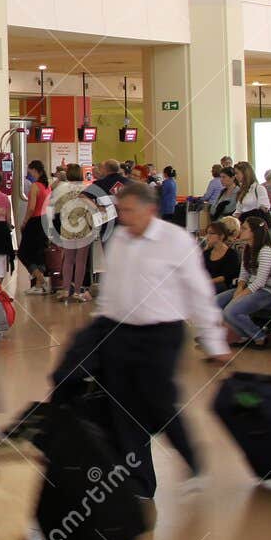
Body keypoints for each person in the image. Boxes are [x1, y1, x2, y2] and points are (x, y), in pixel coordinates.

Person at [54, 179, 229, 499]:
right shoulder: (120, 239)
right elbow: (112, 289)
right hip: (119, 332)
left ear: (150, 210)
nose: (123, 217)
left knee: (159, 404)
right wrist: (99, 327)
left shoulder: (175, 241)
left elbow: (199, 292)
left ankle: (193, 462)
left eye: (130, 211)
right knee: (123, 407)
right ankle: (141, 483)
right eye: (121, 211)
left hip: (162, 334)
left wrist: (215, 342)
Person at [218, 215, 271, 348]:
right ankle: (243, 334)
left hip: (268, 291)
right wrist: (239, 288)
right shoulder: (247, 248)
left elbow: (260, 282)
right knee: (215, 303)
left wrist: (240, 295)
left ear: (254, 232)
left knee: (230, 311)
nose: (241, 231)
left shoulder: (266, 251)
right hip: (251, 287)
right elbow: (244, 273)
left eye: (244, 228)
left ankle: (259, 336)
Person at [50, 164, 93, 302]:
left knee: (68, 260)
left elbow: (55, 208)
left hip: (67, 226)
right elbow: (90, 209)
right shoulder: (87, 188)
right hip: (83, 227)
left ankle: (65, 290)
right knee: (81, 261)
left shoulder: (61, 188)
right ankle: (77, 292)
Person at [19, 160, 52, 294]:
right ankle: (38, 285)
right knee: (39, 253)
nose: (29, 174)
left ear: (34, 170)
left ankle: (40, 279)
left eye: (30, 171)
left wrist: (24, 221)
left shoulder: (35, 186)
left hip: (35, 222)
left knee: (23, 253)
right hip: (45, 220)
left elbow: (32, 207)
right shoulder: (47, 186)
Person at [201, 220, 241, 296]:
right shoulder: (206, 253)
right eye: (207, 233)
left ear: (221, 236)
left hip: (222, 285)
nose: (207, 236)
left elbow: (226, 276)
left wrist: (207, 282)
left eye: (211, 233)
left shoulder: (231, 254)